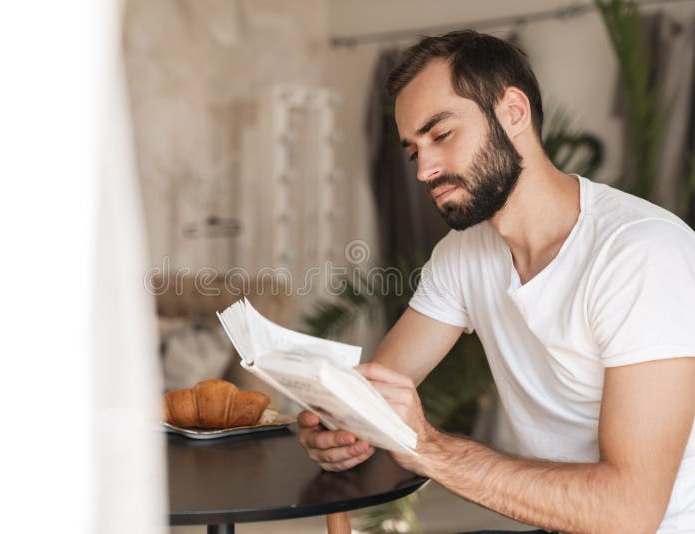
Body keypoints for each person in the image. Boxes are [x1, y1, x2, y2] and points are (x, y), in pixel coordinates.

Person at [297, 30, 695, 533]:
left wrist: (429, 448)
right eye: (412, 150)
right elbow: (378, 393)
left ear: (513, 112)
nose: (424, 170)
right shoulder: (464, 255)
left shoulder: (642, 254)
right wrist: (338, 423)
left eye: (440, 135)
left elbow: (627, 513)